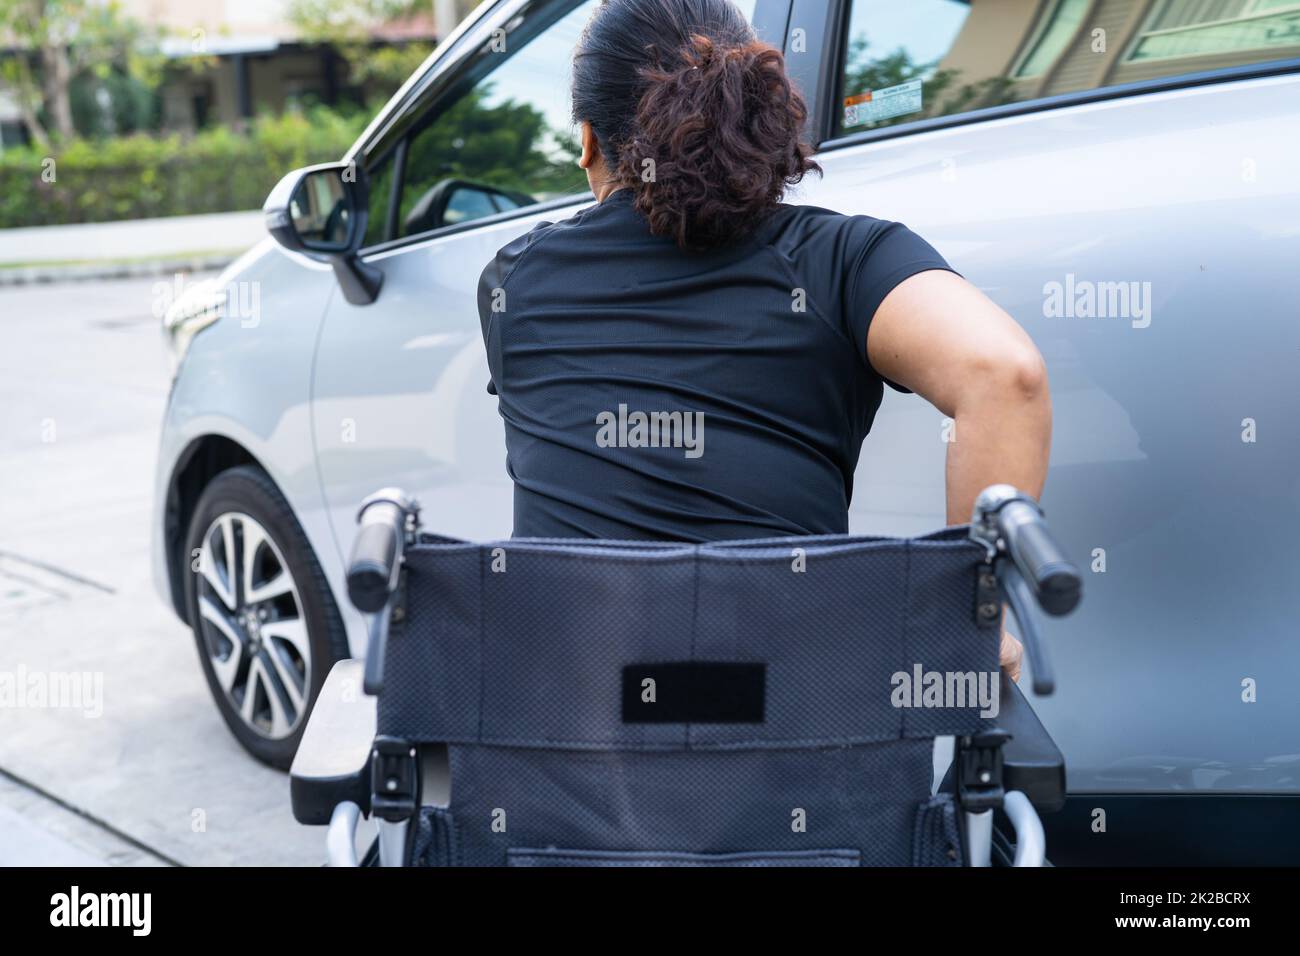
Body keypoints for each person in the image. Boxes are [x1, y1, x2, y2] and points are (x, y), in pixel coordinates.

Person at [478, 0, 1050, 679]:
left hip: (565, 742)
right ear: (752, 112)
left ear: (587, 141)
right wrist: (974, 621)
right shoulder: (847, 258)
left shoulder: (517, 280)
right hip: (800, 741)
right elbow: (1004, 376)